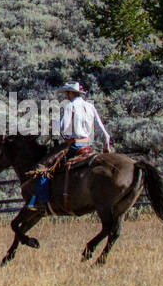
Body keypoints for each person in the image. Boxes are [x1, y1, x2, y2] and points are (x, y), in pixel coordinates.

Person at [27, 82, 111, 211]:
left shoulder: (70, 106)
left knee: (43, 167)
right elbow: (104, 132)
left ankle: (41, 202)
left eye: (66, 93)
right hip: (87, 145)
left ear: (71, 93)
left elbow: (62, 127)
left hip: (74, 145)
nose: (65, 96)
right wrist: (106, 148)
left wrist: (54, 126)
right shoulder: (90, 107)